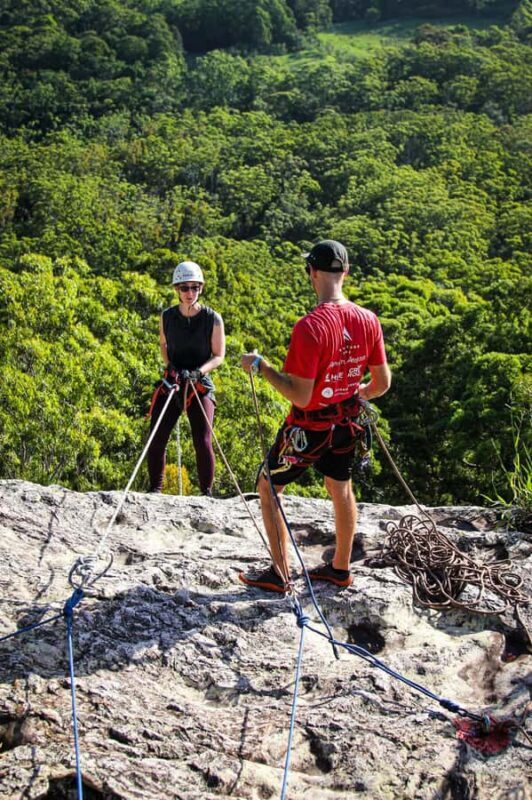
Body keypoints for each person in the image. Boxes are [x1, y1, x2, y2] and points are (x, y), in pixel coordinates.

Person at [240, 240, 391, 593]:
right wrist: (353, 394)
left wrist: (262, 367)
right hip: (348, 422)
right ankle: (340, 568)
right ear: (346, 272)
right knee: (341, 487)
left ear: (312, 273)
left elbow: (301, 396)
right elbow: (382, 383)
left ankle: (280, 574)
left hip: (310, 428)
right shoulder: (368, 320)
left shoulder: (310, 327)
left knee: (269, 487)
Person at [147, 261, 225, 496]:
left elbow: (219, 355)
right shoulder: (167, 316)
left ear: (200, 288)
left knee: (202, 440)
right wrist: (171, 366)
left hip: (199, 382)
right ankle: (155, 490)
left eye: (194, 288)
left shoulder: (213, 318)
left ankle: (206, 493)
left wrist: (199, 372)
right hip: (174, 380)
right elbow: (164, 345)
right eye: (184, 288)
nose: (190, 293)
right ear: (176, 289)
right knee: (157, 435)